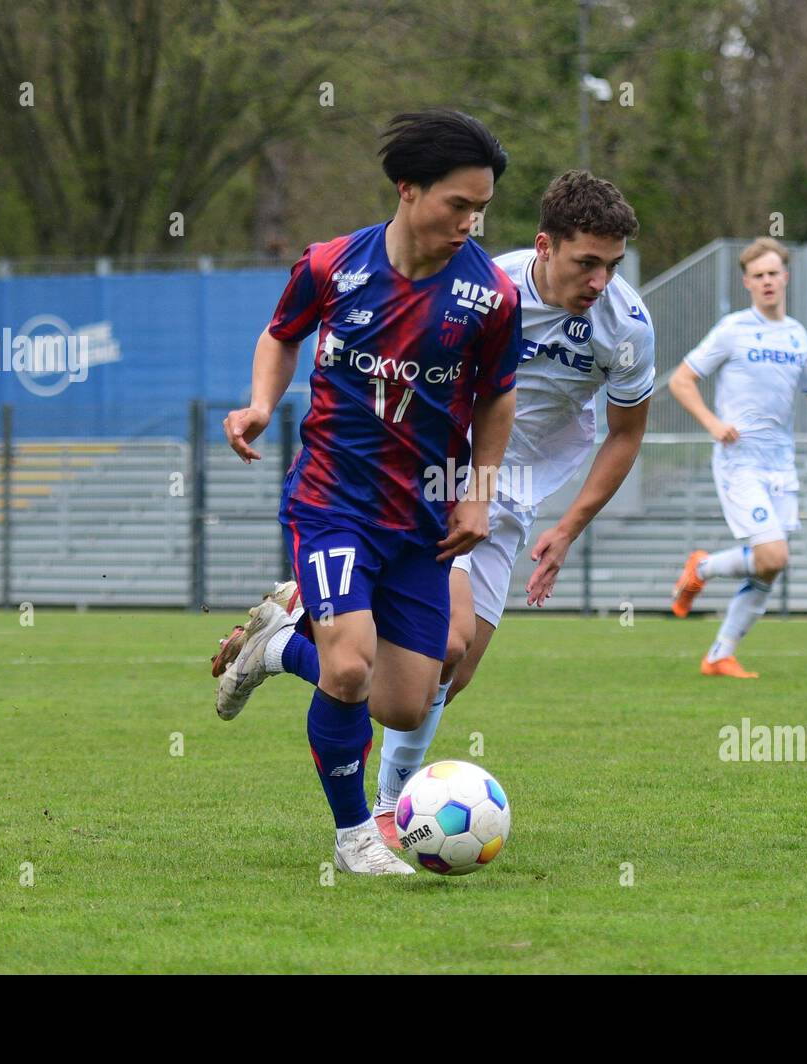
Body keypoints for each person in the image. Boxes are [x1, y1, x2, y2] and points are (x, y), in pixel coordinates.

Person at [211, 110, 521, 876]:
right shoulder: (331, 266)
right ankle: (354, 839)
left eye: (482, 209)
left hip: (424, 519)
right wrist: (260, 402)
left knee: (404, 704)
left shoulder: (490, 298)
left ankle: (282, 646)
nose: (471, 223)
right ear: (407, 190)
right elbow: (282, 334)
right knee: (348, 668)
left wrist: (479, 494)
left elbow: (496, 399)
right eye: (459, 204)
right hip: (333, 500)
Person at [368, 170, 654, 843]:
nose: (600, 282)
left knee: (454, 672)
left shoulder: (626, 326)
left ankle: (295, 631)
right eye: (587, 263)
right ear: (544, 246)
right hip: (440, 473)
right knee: (445, 639)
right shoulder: (479, 290)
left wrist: (569, 525)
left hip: (515, 495)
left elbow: (625, 434)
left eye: (612, 266)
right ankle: (388, 809)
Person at [667, 237, 807, 677]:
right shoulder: (733, 329)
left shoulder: (796, 335)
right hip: (740, 461)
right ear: (747, 282)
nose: (767, 281)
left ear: (785, 278)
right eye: (759, 275)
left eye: (774, 273)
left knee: (769, 569)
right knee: (773, 555)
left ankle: (719, 654)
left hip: (781, 465)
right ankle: (704, 567)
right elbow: (681, 380)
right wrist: (713, 425)